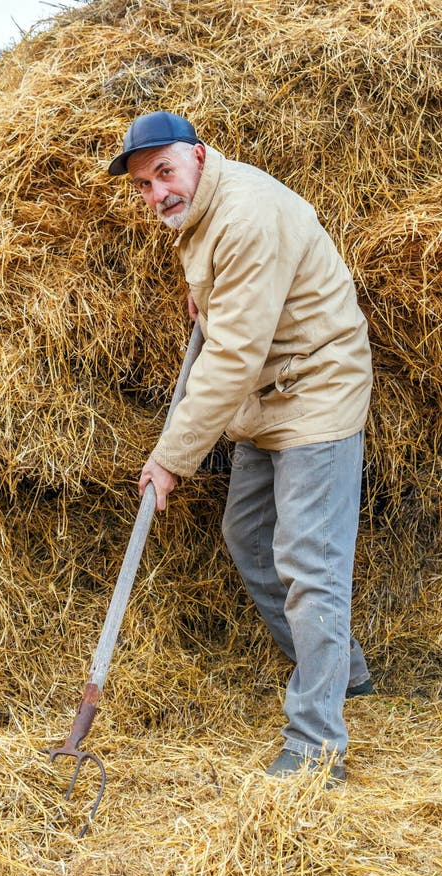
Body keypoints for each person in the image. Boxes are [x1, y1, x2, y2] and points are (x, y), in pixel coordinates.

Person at [107, 111, 373, 784]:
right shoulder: (205, 210)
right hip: (266, 395)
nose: (157, 193)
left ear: (198, 155)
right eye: (143, 184)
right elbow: (238, 316)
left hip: (315, 390)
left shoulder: (246, 214)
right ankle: (340, 673)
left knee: (309, 561)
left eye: (164, 172)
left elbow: (229, 359)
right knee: (249, 533)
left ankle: (316, 744)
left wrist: (170, 459)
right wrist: (214, 303)